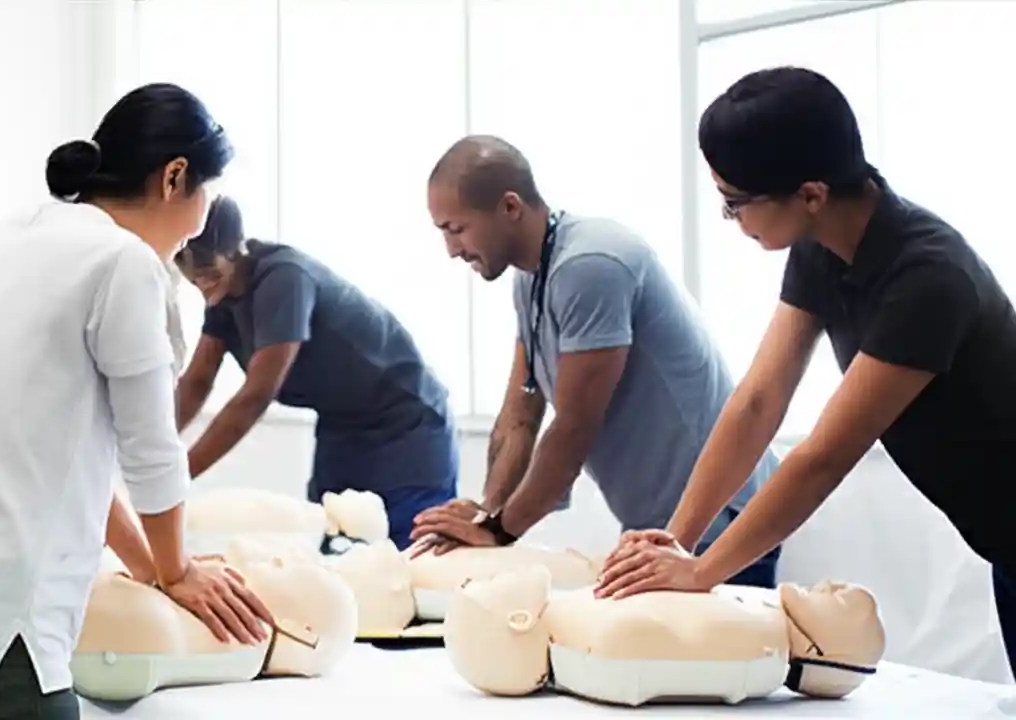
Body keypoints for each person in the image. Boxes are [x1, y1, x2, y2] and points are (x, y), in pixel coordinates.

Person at [0, 83, 274, 719]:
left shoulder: (16, 232)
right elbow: (151, 452)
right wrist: (178, 569)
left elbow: (60, 460)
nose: (204, 218)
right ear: (175, 177)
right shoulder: (121, 263)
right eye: (207, 192)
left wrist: (154, 565)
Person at [595, 67, 1016, 673]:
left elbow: (822, 457)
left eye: (734, 204)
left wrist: (703, 573)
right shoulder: (821, 247)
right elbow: (758, 401)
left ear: (812, 194)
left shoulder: (927, 277)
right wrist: (679, 538)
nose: (730, 219)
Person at [411, 135, 781, 590]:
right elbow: (522, 411)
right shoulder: (531, 280)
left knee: (706, 658)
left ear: (510, 207)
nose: (451, 249)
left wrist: (500, 530)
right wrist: (487, 512)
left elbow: (573, 429)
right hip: (657, 523)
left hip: (720, 519)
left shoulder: (591, 265)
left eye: (457, 229)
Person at [173, 195, 459, 551]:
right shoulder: (222, 296)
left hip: (406, 425)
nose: (204, 288)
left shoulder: (284, 278)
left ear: (236, 252)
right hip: (343, 427)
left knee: (410, 559)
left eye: (210, 275)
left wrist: (174, 478)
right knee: (336, 553)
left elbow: (254, 396)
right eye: (194, 280)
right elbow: (196, 382)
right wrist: (144, 449)